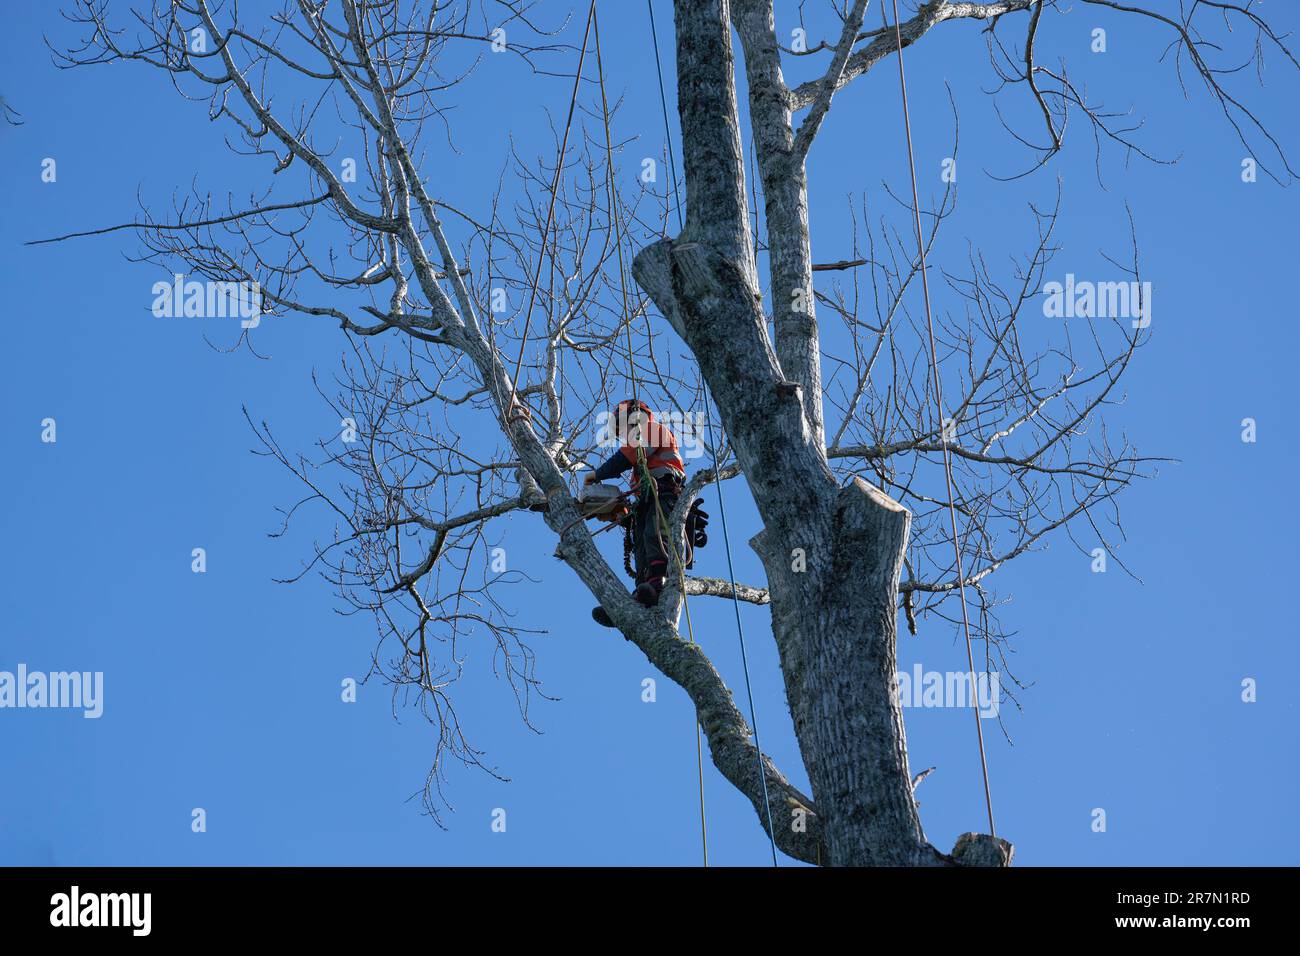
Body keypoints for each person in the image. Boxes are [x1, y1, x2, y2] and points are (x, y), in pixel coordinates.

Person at [585, 399, 686, 626]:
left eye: (623, 427)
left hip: (664, 492)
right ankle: (642, 594)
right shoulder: (639, 463)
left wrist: (598, 474)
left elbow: (626, 456)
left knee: (654, 535)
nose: (623, 434)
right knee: (640, 545)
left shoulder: (653, 430)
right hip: (648, 498)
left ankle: (658, 584)